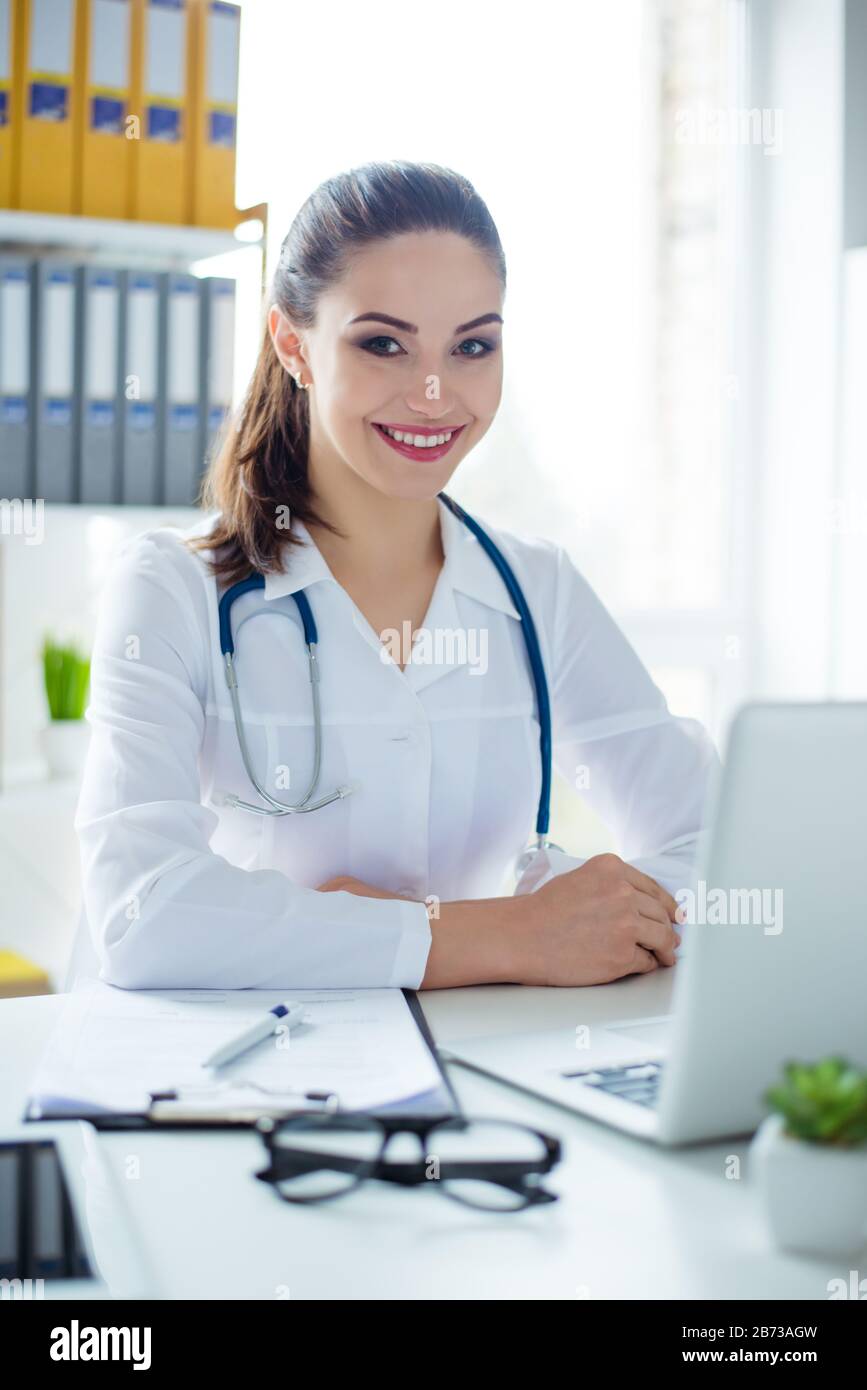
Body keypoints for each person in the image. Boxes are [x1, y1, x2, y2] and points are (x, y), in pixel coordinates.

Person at [74, 160, 719, 991]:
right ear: (292, 344)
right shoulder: (171, 588)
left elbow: (720, 854)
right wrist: (500, 936)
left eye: (471, 346)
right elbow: (141, 914)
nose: (433, 393)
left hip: (484, 1071)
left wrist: (586, 910)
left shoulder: (537, 590)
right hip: (238, 1087)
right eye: (383, 343)